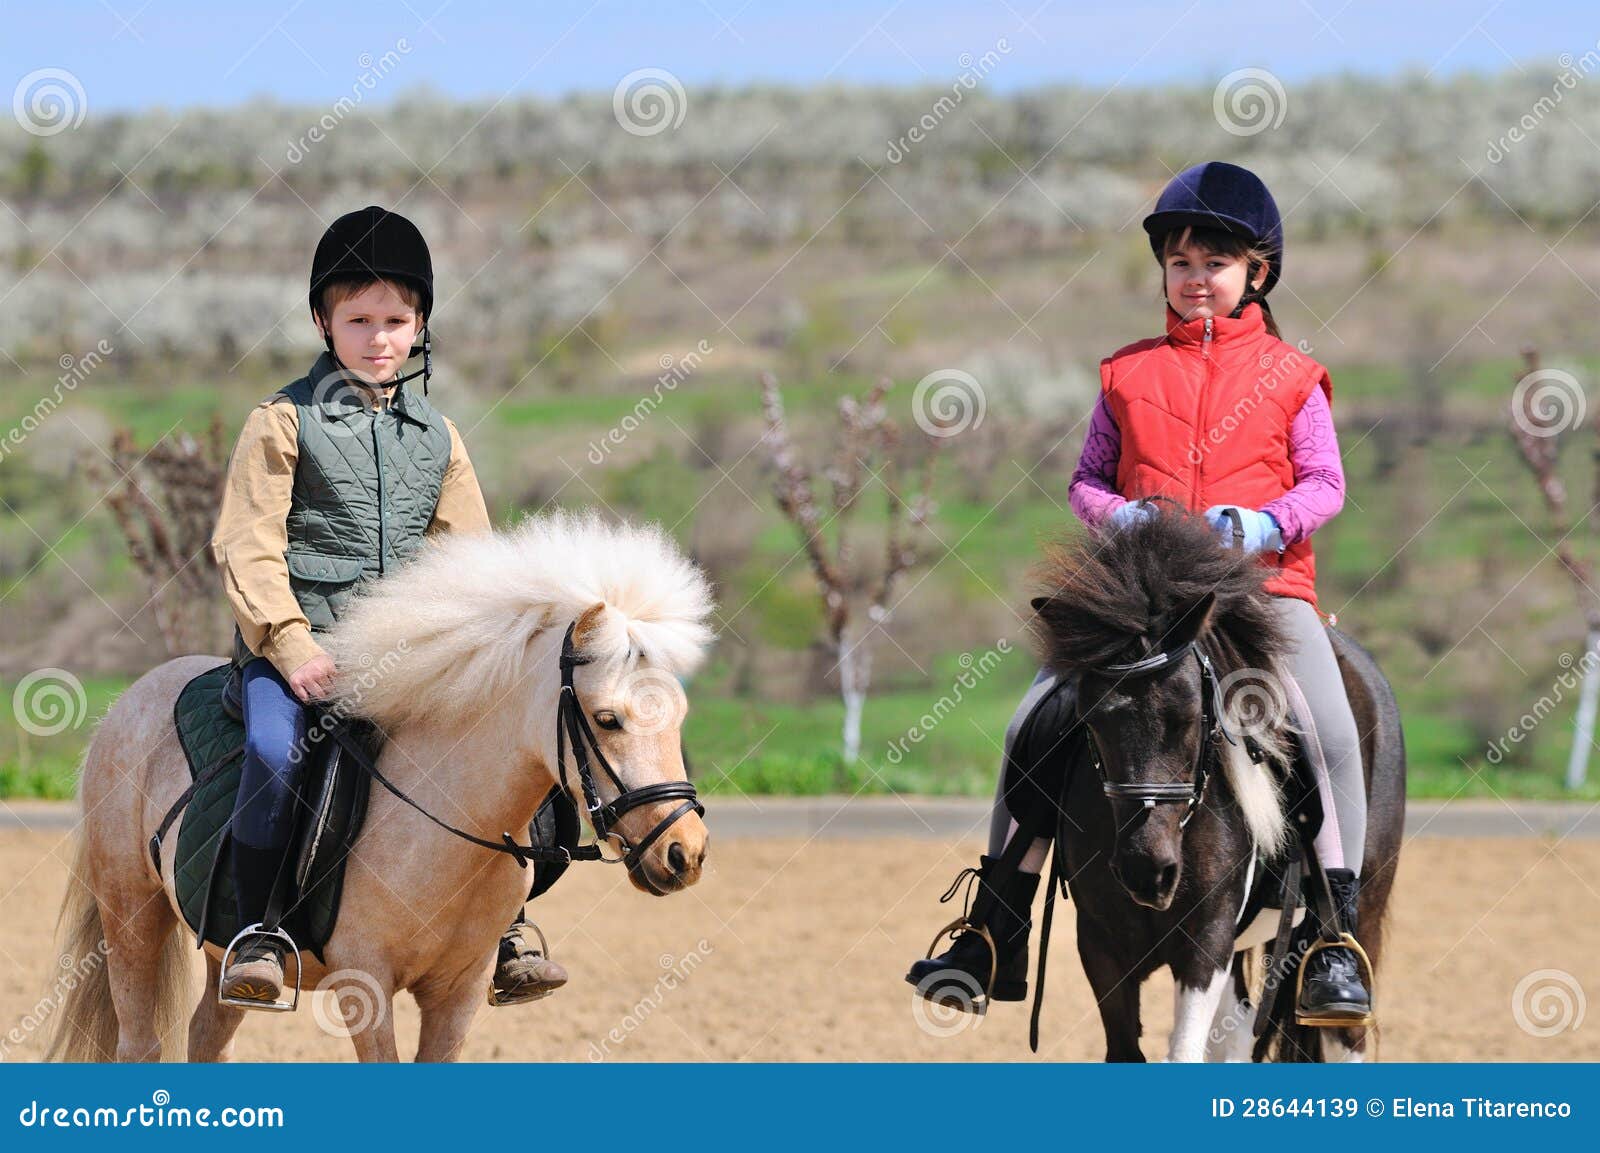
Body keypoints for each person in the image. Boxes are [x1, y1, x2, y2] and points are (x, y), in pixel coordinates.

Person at [906, 161, 1371, 1025]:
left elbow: (1327, 484)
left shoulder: (1294, 375)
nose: (1196, 279)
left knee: (1329, 729)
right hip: (1143, 596)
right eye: (1181, 263)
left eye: (1216, 262)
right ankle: (992, 925)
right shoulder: (1125, 373)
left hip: (1262, 591)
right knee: (1034, 718)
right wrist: (1119, 518)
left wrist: (1263, 525)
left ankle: (1335, 939)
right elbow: (1086, 480)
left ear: (1256, 272)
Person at [210, 205, 567, 1008]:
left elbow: (470, 560)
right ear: (322, 322)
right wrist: (293, 644)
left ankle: (501, 928)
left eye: (396, 320)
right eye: (359, 319)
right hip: (295, 652)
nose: (378, 338)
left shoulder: (440, 439)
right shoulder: (280, 422)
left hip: (406, 661)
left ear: (420, 326)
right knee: (274, 751)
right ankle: (259, 928)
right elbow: (247, 545)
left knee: (515, 752)